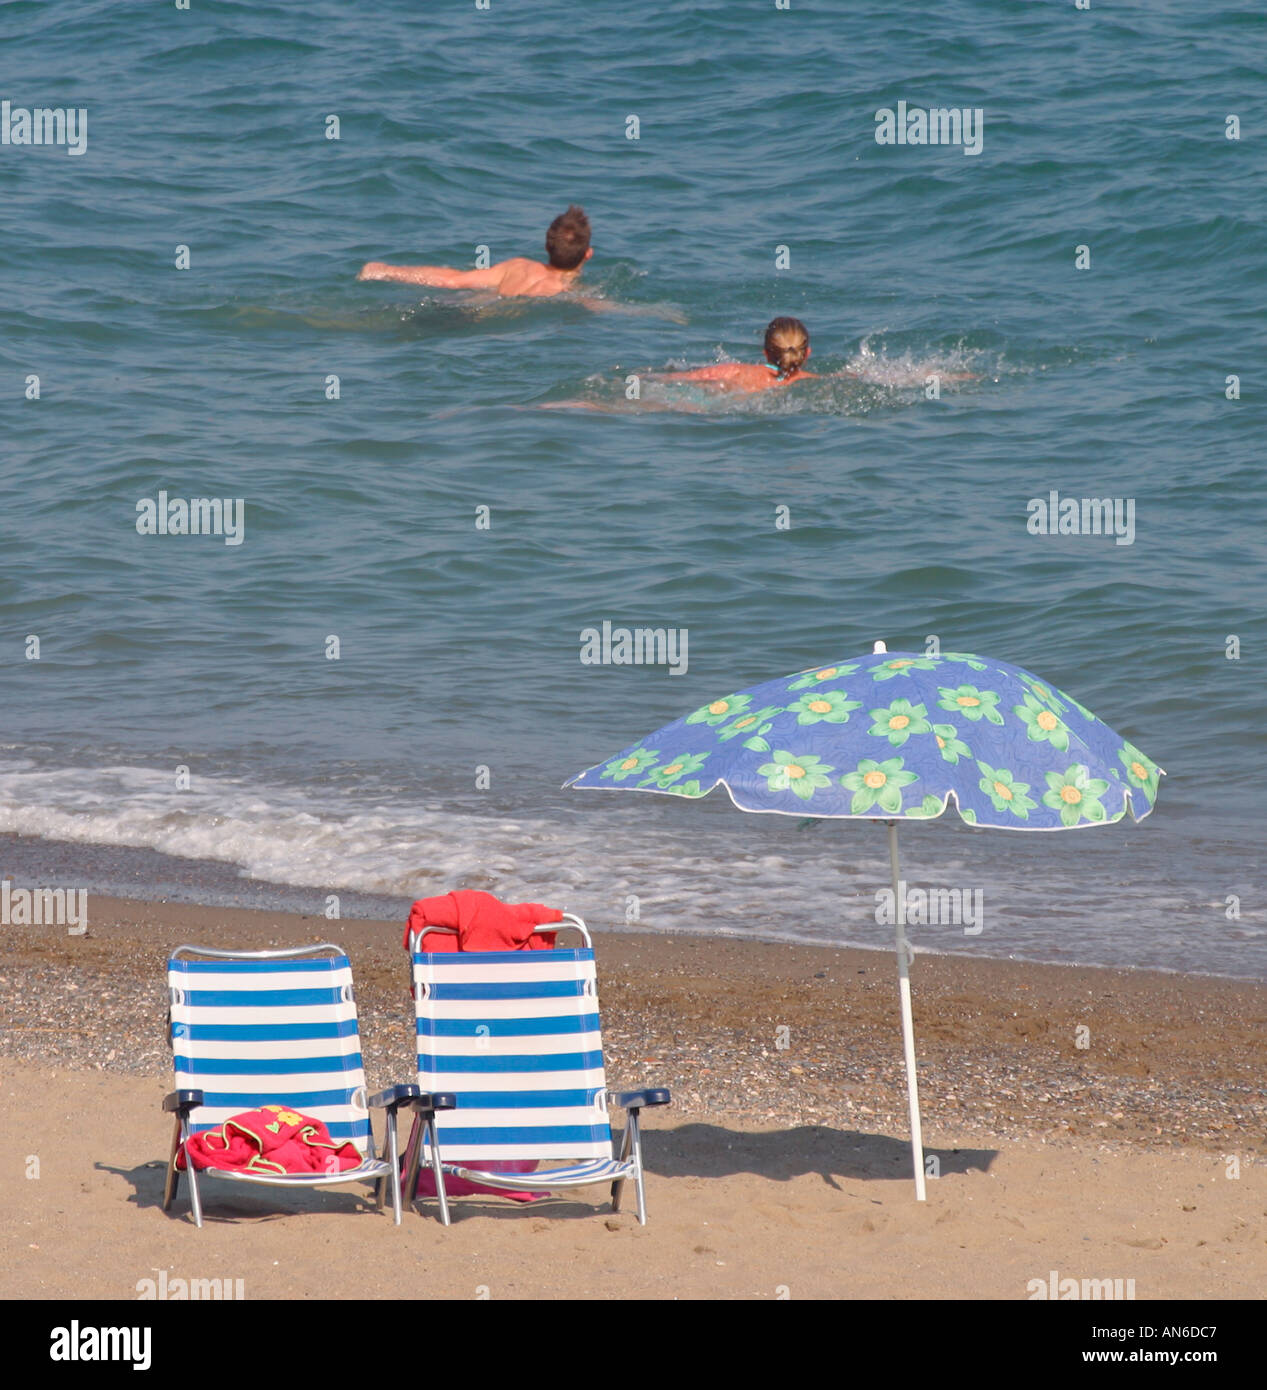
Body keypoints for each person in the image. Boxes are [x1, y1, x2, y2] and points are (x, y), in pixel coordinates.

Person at [357, 205, 593, 297]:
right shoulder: (562, 290)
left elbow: (452, 281)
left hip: (457, 308)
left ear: (546, 245)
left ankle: (378, 271)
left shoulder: (517, 266)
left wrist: (388, 271)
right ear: (587, 254)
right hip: (474, 325)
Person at [655, 316, 818, 392]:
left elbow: (674, 379)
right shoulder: (812, 381)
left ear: (766, 352)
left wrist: (640, 376)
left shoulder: (735, 371)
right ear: (807, 353)